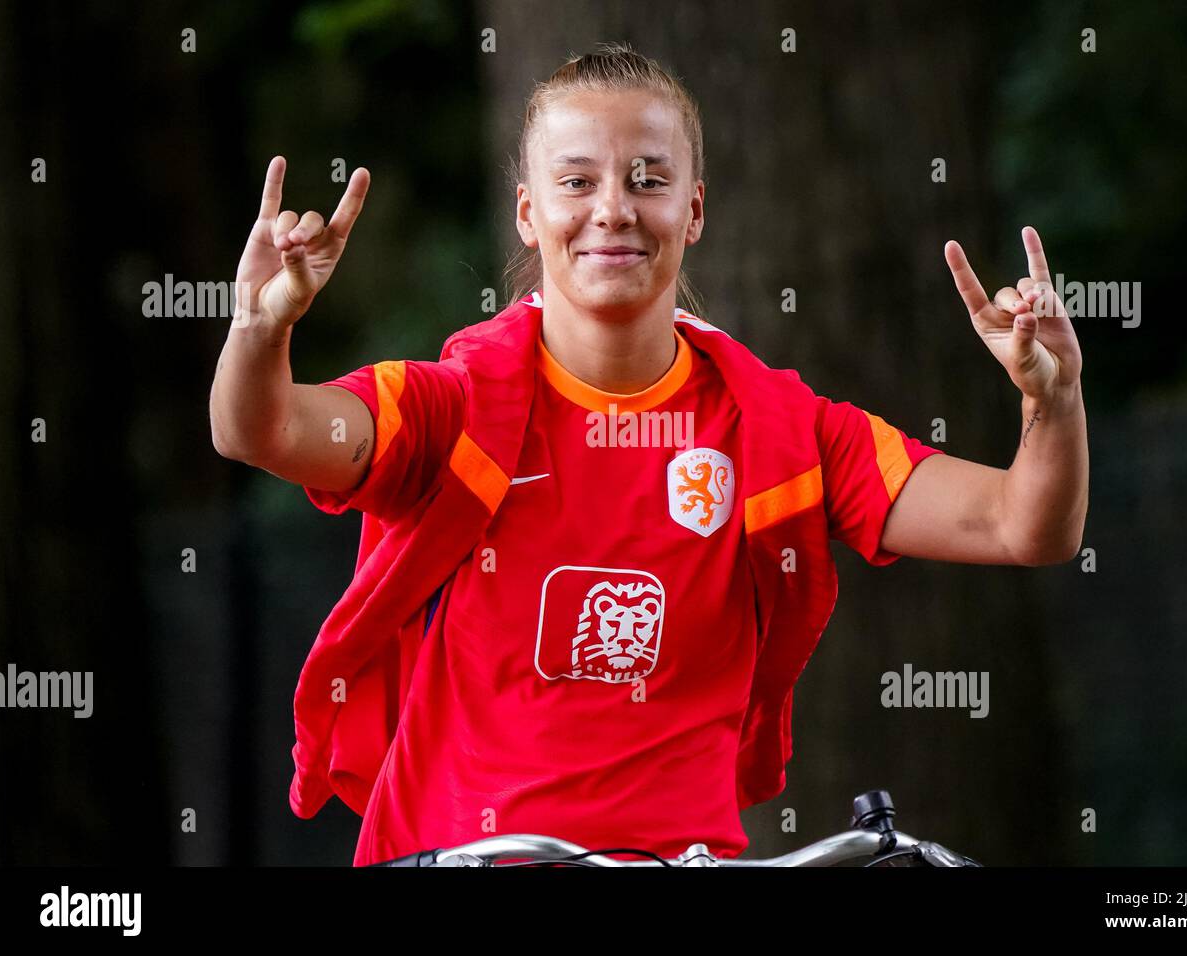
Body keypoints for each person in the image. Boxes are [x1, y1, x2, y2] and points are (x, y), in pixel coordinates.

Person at [209, 42, 1087, 866]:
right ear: (528, 212)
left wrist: (1053, 398)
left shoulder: (781, 429)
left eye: (648, 179)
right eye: (576, 181)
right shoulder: (451, 408)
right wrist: (261, 324)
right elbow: (260, 431)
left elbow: (1023, 526)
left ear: (694, 209)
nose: (613, 209)